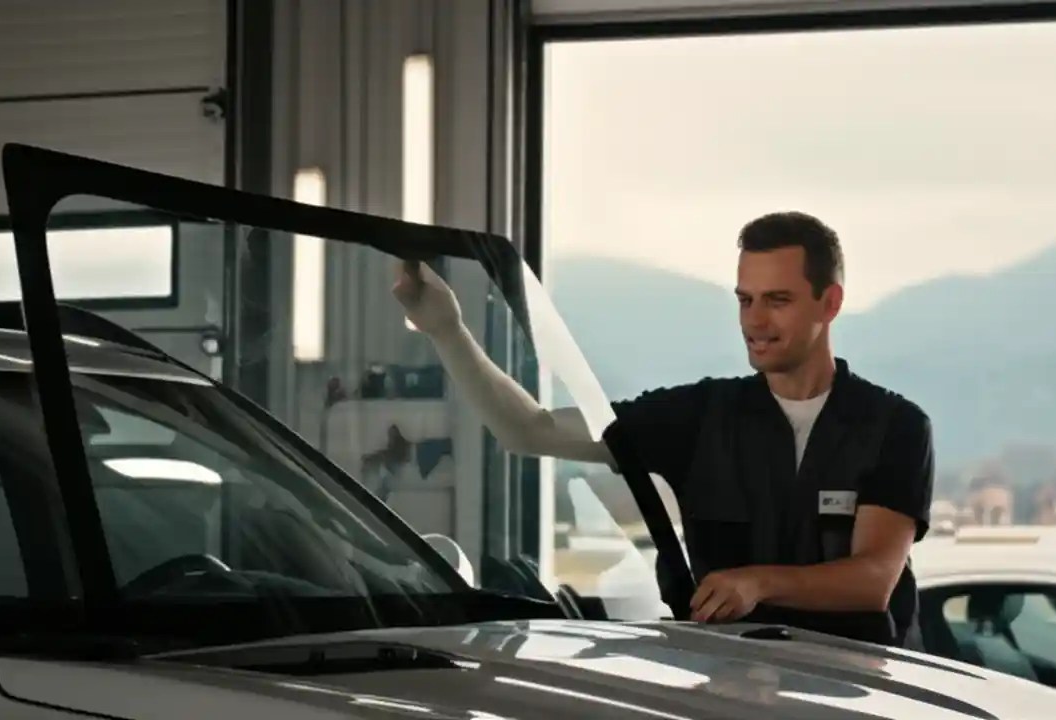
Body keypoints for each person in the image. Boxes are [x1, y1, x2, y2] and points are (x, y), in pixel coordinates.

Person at [393, 211, 934, 647]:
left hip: (864, 691)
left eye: (778, 301)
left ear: (830, 302)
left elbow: (871, 582)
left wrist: (756, 581)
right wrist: (447, 330)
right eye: (745, 300)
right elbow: (530, 430)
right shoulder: (700, 416)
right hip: (733, 687)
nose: (754, 321)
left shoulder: (895, 427)